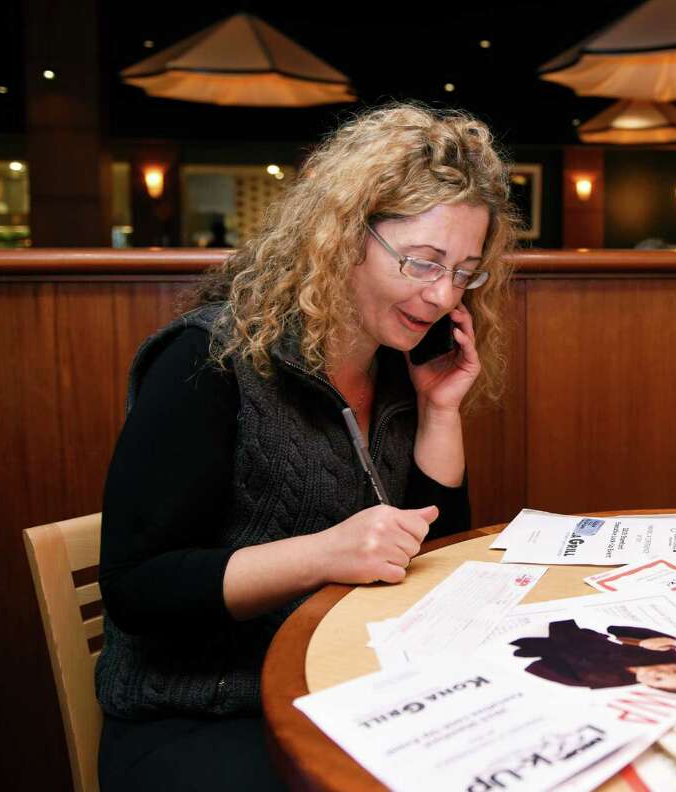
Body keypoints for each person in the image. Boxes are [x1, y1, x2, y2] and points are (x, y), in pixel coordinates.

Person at [95, 103, 519, 792]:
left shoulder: (396, 363)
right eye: (421, 261)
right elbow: (137, 587)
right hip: (203, 715)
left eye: (464, 271)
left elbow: (432, 547)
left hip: (344, 693)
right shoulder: (209, 358)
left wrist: (442, 411)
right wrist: (324, 553)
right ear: (343, 235)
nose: (442, 296)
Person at [510, 620, 676, 694]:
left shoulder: (600, 681)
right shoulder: (668, 651)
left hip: (530, 638)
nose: (661, 671)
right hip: (574, 618)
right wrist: (645, 639)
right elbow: (614, 625)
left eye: (659, 679)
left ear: (653, 687)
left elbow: (534, 664)